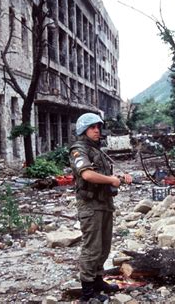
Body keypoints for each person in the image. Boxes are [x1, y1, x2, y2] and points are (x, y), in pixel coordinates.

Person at [69, 112, 132, 303]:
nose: (97, 131)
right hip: (90, 206)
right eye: (92, 128)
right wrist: (112, 179)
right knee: (92, 249)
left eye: (98, 127)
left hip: (104, 203)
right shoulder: (79, 149)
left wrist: (120, 179)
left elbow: (104, 178)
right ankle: (87, 293)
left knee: (104, 247)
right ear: (83, 130)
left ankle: (98, 281)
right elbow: (87, 175)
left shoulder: (97, 150)